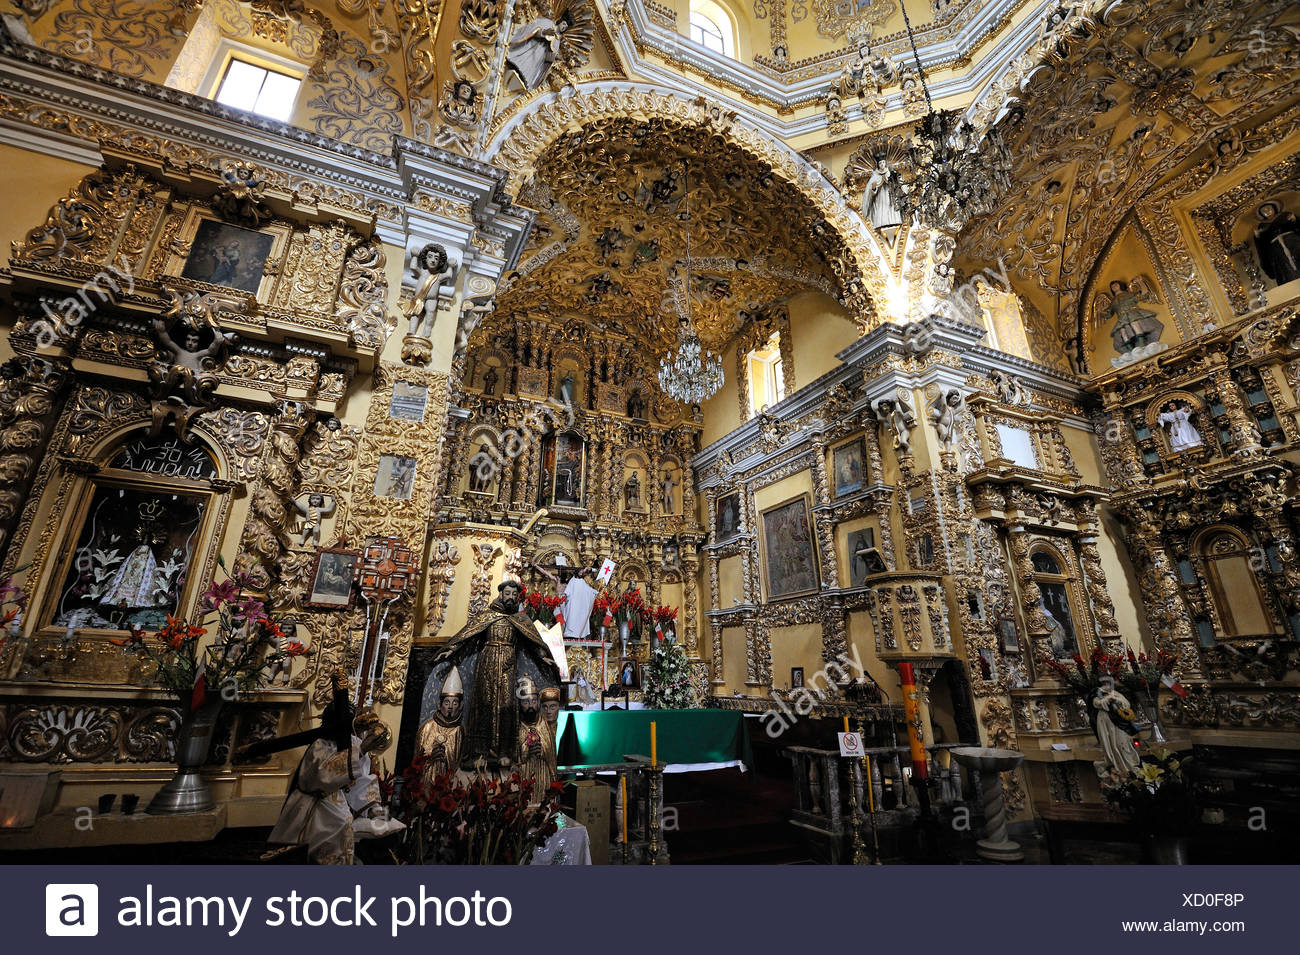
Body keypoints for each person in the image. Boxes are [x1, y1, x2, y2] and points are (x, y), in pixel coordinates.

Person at [430, 579, 560, 767]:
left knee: (507, 705)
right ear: (501, 594)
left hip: (508, 667)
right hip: (487, 665)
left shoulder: (521, 619)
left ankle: (505, 751)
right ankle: (478, 752)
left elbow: (534, 642)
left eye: (514, 595)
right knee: (484, 704)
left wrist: (544, 656)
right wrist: (451, 649)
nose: (511, 597)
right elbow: (469, 633)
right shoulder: (487, 615)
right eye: (508, 593)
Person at [267, 710, 396, 865]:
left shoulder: (354, 743)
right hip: (315, 804)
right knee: (337, 828)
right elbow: (324, 777)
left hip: (339, 802)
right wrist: (361, 751)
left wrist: (374, 809)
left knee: (360, 829)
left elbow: (361, 782)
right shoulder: (320, 746)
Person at [415, 667, 464, 785]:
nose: (450, 707)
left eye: (455, 703)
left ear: (460, 706)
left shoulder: (459, 731)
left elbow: (459, 762)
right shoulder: (427, 727)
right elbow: (417, 759)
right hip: (425, 781)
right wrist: (431, 756)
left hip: (448, 784)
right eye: (447, 702)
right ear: (439, 704)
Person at [514, 676, 556, 791]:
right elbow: (512, 756)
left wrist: (542, 749)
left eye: (534, 701)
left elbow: (551, 753)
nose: (531, 706)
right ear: (519, 704)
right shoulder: (516, 726)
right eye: (526, 702)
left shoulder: (544, 725)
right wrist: (526, 749)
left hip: (542, 776)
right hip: (523, 777)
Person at [1253, 201, 1300, 286]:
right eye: (1264, 211)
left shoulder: (1285, 216)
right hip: (1277, 250)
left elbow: (1297, 226)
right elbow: (1263, 246)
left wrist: (1294, 220)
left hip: (1293, 241)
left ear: (1274, 208)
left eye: (1268, 208)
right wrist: (1257, 237)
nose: (1267, 211)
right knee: (1284, 267)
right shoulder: (1262, 226)